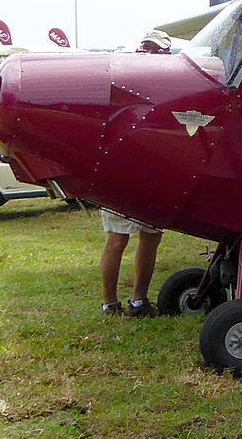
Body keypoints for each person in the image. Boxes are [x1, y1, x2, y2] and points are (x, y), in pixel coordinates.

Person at [99, 30, 172, 317]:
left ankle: (139, 300)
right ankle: (109, 303)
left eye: (158, 50)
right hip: (123, 168)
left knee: (151, 236)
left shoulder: (171, 84)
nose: (151, 54)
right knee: (117, 238)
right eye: (147, 48)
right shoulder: (123, 80)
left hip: (156, 170)